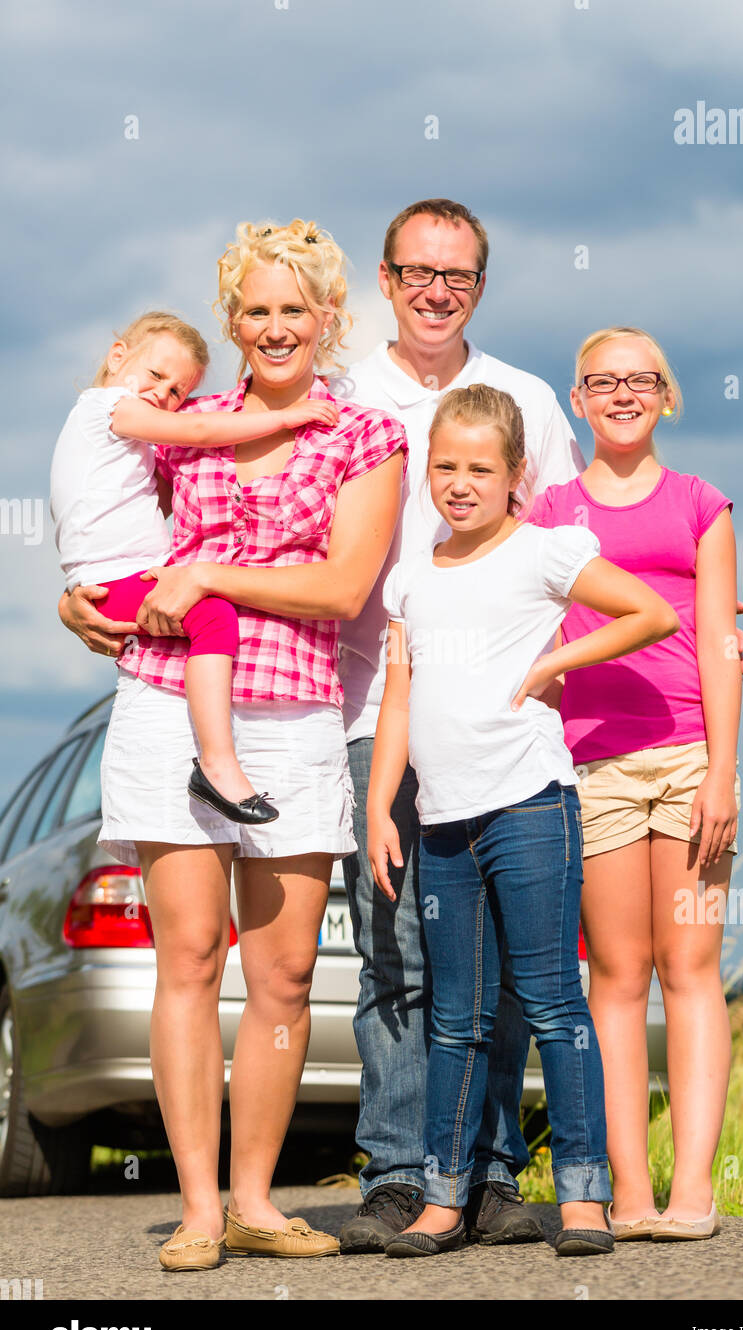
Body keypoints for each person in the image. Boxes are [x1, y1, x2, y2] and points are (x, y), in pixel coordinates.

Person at [57, 219, 406, 1270]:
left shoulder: (364, 435)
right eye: (253, 309)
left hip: (294, 717)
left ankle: (259, 1198)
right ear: (232, 320)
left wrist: (208, 575)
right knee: (189, 960)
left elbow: (343, 586)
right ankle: (201, 1208)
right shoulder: (183, 422)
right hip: (168, 705)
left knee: (289, 972)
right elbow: (111, 527)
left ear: (328, 317)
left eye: (292, 308)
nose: (271, 327)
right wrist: (75, 599)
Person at [367, 384, 678, 1257]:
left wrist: (556, 662)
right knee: (454, 1017)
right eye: (443, 467)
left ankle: (583, 1197)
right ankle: (442, 1199)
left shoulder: (545, 551)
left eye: (479, 468)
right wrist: (379, 809)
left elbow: (649, 613)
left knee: (550, 1003)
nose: (458, 483)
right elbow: (398, 698)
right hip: (439, 823)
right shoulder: (411, 575)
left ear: (517, 477)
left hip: (531, 805)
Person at [332, 199, 587, 1250]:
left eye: (459, 276)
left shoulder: (523, 397)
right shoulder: (346, 389)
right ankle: (399, 1171)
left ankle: (486, 1174)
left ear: (479, 285)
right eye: (417, 272)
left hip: (500, 730)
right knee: (398, 959)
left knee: (509, 972)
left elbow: (573, 549)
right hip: (368, 704)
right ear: (385, 280)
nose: (437, 291)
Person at [528, 327, 742, 1241]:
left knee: (690, 970)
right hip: (594, 766)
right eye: (601, 381)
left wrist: (723, 772)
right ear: (577, 399)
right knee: (615, 979)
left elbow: (725, 649)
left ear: (665, 395)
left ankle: (692, 1192)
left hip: (690, 758)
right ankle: (634, 1192)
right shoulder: (548, 511)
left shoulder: (702, 505)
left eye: (640, 380)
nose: (621, 394)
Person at [50, 310, 341, 824]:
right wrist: (284, 418)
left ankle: (216, 756)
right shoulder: (110, 408)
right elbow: (201, 429)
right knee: (214, 618)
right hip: (118, 576)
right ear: (118, 356)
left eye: (177, 392)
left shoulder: (110, 431)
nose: (163, 396)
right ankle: (217, 762)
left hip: (107, 577)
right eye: (156, 376)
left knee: (204, 617)